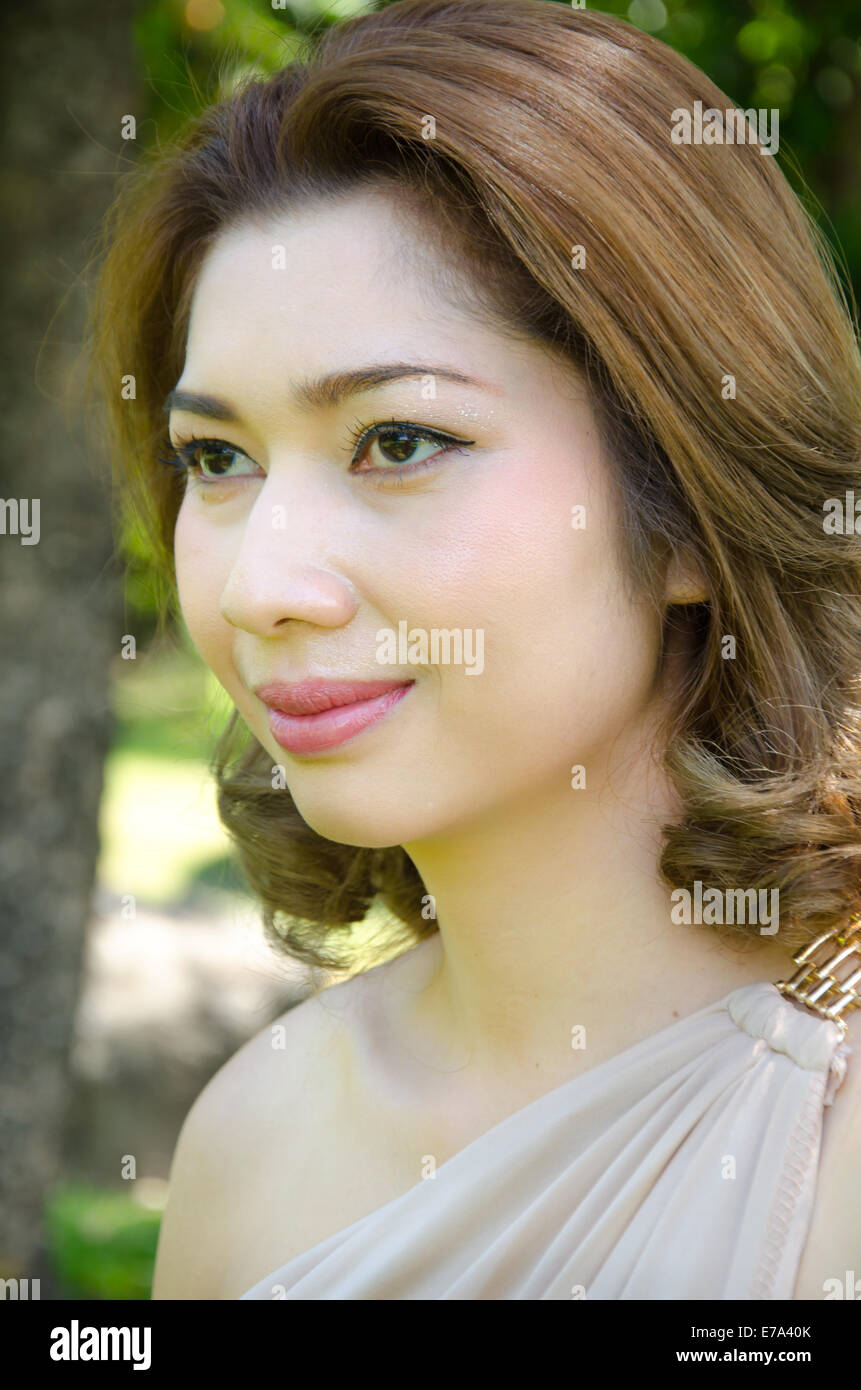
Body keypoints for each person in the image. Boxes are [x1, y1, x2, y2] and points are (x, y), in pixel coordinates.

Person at [85, 0, 861, 1299]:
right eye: (216, 460)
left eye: (396, 441)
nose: (263, 584)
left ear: (684, 507)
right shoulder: (252, 1142)